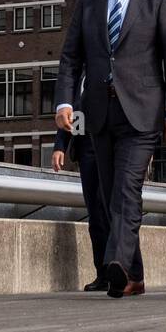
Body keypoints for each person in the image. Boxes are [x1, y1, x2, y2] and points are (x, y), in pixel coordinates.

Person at [55, 0, 166, 299]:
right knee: (113, 194)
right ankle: (134, 277)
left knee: (127, 189)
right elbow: (70, 60)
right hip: (99, 114)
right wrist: (64, 103)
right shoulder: (87, 5)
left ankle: (114, 262)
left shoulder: (157, 3)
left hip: (142, 114)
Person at [52, 84, 110, 292]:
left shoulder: (111, 67)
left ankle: (121, 269)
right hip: (86, 148)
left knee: (112, 210)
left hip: (112, 148)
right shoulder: (80, 77)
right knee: (95, 214)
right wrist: (60, 147)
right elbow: (72, 112)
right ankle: (102, 273)